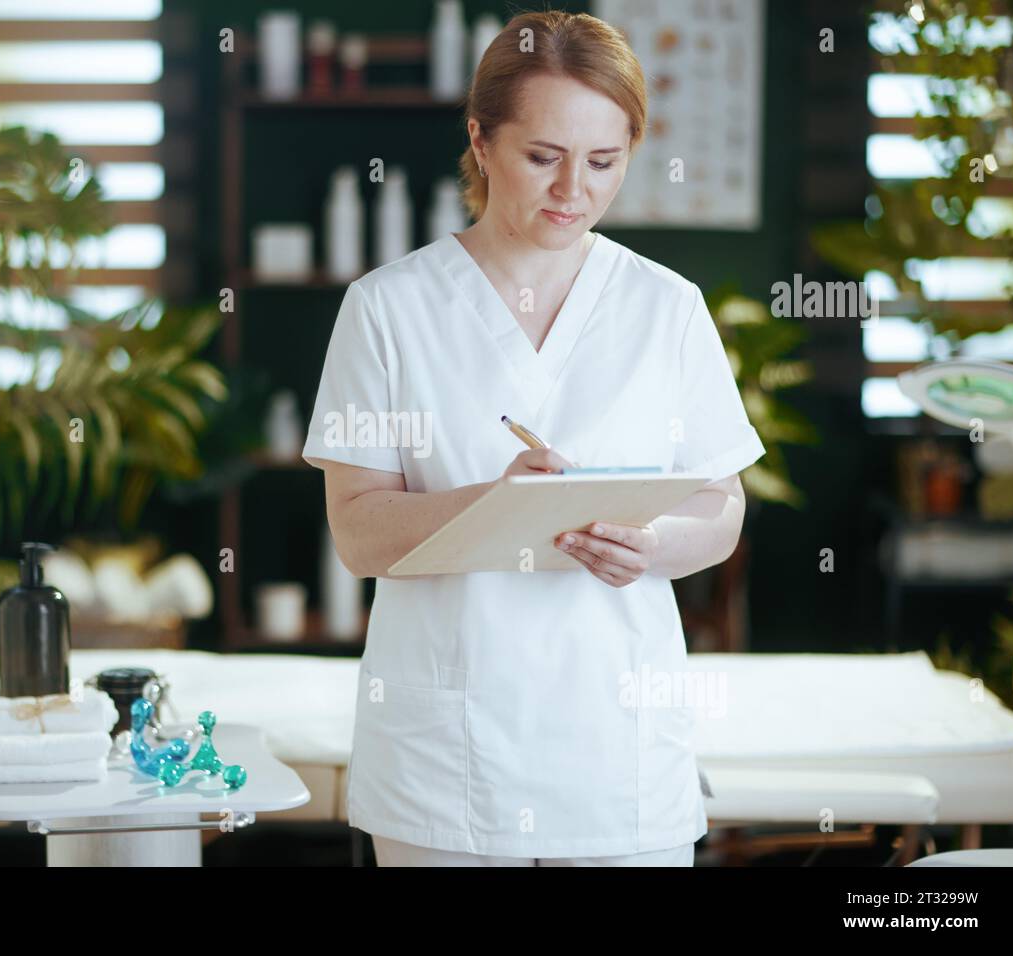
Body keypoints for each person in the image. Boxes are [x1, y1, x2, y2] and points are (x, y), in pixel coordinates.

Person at [301, 9, 765, 867]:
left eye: (603, 162)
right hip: (447, 757)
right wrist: (497, 506)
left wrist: (654, 543)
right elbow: (359, 533)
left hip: (616, 753)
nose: (572, 191)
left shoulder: (667, 308)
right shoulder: (389, 308)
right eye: (543, 157)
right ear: (481, 140)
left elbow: (721, 507)